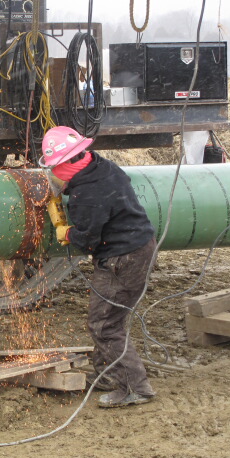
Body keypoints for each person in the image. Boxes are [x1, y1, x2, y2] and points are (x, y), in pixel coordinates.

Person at [39, 125, 157, 408]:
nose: (53, 174)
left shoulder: (88, 195)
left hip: (123, 258)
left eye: (55, 168)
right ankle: (106, 374)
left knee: (104, 325)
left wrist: (66, 232)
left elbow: (87, 240)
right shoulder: (102, 167)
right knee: (107, 318)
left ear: (68, 164)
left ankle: (135, 387)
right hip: (136, 247)